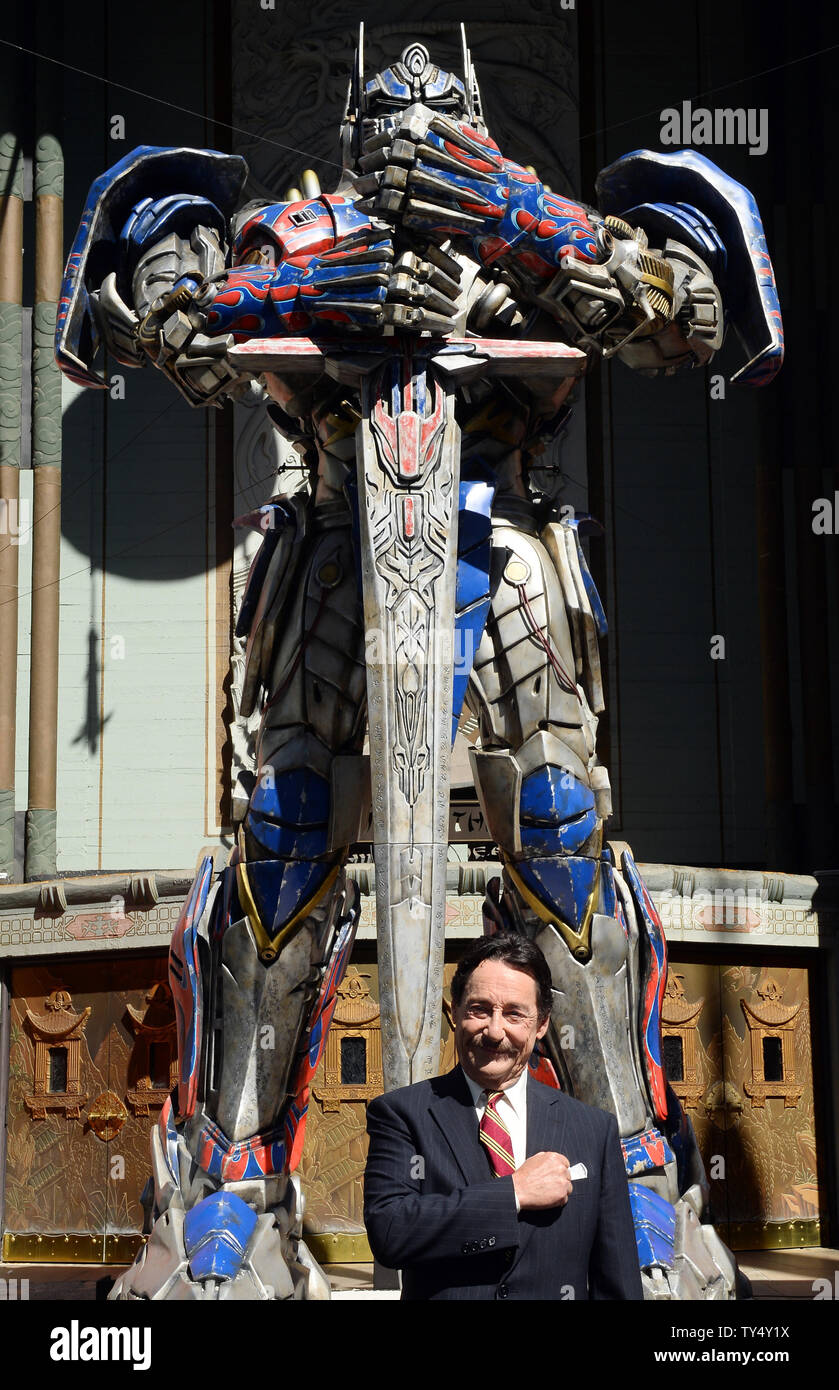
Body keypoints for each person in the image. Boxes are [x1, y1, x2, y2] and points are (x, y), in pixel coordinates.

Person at [363, 933, 643, 1301]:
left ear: (541, 1024)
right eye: (479, 1009)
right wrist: (514, 1192)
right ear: (454, 1013)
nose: (495, 1032)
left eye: (514, 1013)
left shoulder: (592, 1129)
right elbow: (390, 1232)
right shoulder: (403, 1114)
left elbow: (617, 1282)